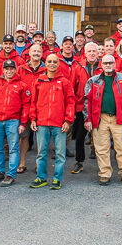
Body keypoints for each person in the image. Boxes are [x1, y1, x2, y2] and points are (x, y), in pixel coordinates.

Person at [84, 53, 122, 186]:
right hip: (99, 118)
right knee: (102, 148)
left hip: (119, 118)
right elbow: (87, 101)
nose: (108, 65)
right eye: (106, 63)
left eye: (111, 63)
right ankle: (104, 174)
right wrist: (87, 119)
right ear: (101, 65)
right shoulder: (93, 80)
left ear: (115, 64)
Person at [29, 54, 75, 190]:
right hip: (42, 122)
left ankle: (57, 179)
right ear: (46, 63)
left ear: (58, 64)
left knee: (60, 153)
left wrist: (68, 120)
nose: (52, 64)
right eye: (49, 61)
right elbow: (33, 101)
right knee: (41, 152)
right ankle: (41, 177)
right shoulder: (39, 80)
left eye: (55, 61)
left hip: (59, 123)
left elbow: (70, 102)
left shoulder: (65, 82)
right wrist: (33, 118)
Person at [0, 59, 29, 187]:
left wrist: (23, 123)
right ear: (3, 70)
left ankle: (11, 174)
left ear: (15, 70)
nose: (9, 71)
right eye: (7, 69)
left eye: (11, 69)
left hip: (13, 121)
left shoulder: (22, 85)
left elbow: (26, 105)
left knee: (13, 148)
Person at [69, 42, 101, 174]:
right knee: (80, 136)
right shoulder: (78, 67)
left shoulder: (103, 66)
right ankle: (79, 161)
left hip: (99, 107)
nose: (92, 53)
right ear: (85, 53)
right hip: (82, 107)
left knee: (100, 137)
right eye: (89, 51)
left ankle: (102, 163)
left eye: (94, 51)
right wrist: (74, 107)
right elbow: (71, 88)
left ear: (98, 53)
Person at [16, 44, 49, 173]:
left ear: (42, 54)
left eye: (39, 51)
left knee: (40, 138)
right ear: (29, 53)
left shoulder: (47, 69)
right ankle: (22, 163)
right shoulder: (21, 69)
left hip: (41, 108)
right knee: (23, 136)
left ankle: (38, 164)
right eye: (34, 51)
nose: (36, 53)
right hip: (25, 108)